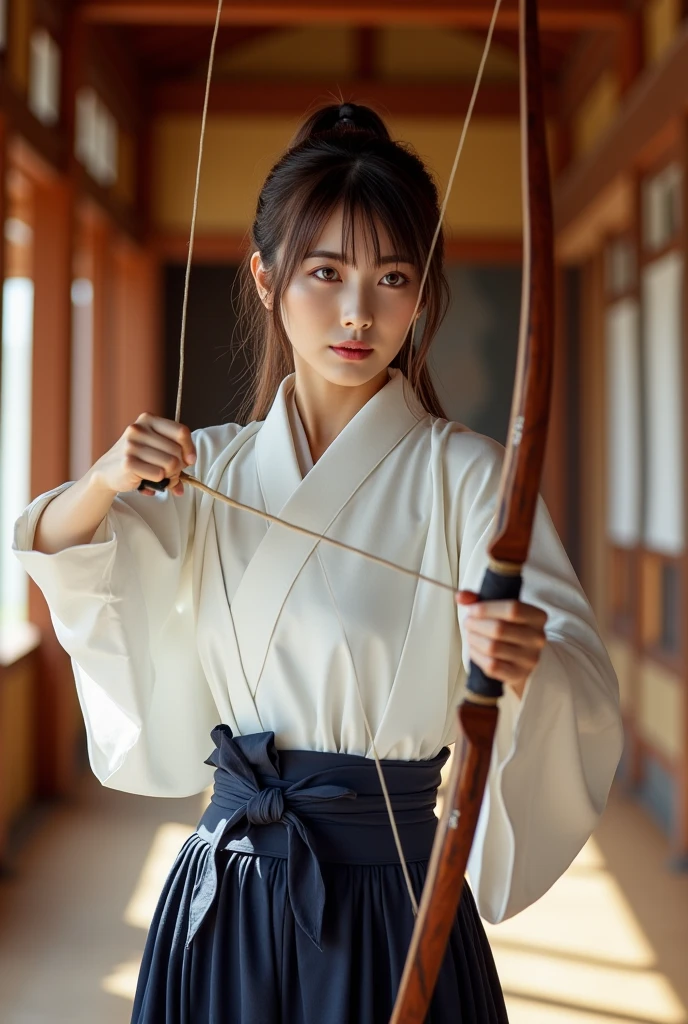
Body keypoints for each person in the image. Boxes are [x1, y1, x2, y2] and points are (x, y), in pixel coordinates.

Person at [13, 103, 623, 1023]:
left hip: (394, 899)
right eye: (324, 272)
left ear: (422, 294)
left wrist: (527, 657)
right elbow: (72, 559)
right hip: (226, 888)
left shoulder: (469, 475)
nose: (356, 312)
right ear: (265, 277)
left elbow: (574, 660)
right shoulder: (206, 468)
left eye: (390, 277)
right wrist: (101, 481)